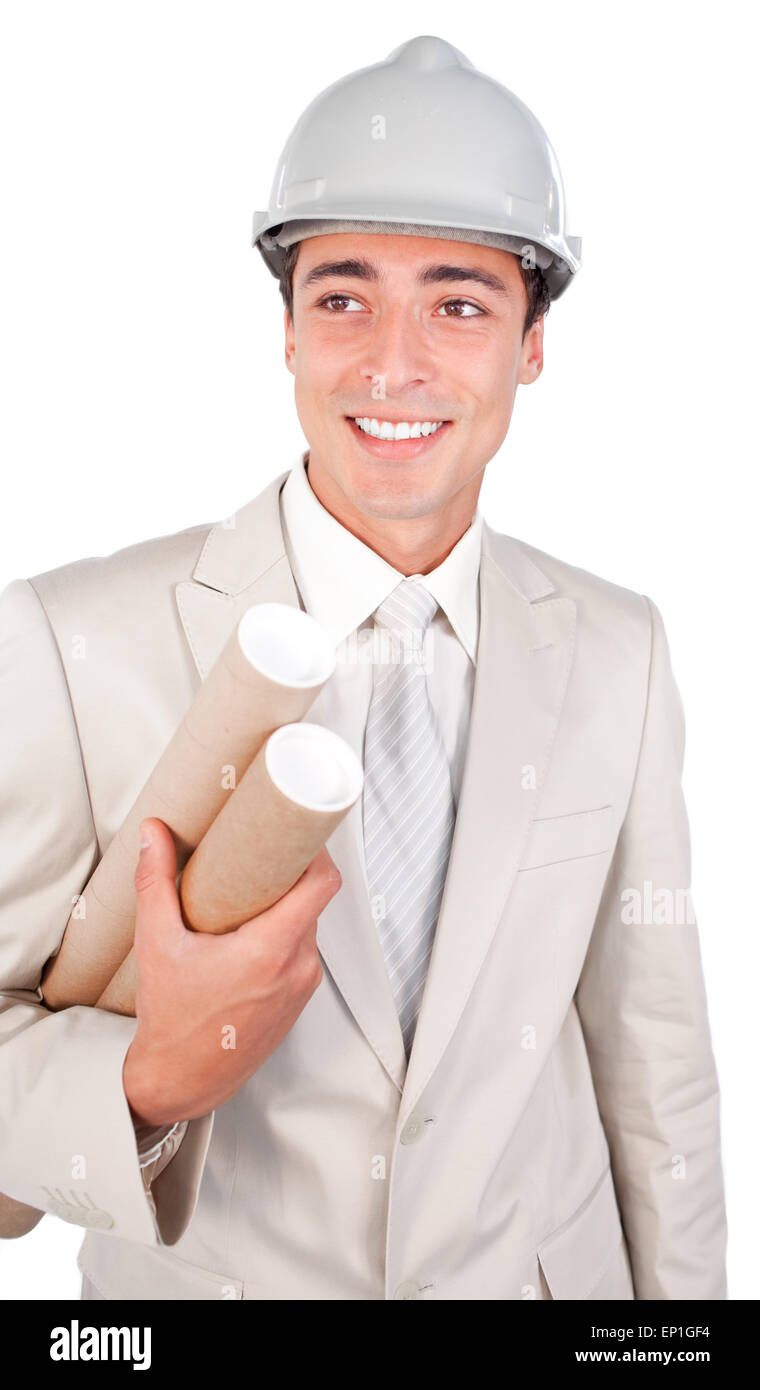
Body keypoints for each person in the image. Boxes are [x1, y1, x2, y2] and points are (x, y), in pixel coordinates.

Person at [0, 35, 727, 1300]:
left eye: (459, 302)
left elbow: (654, 1065)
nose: (394, 365)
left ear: (532, 343)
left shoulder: (620, 646)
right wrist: (146, 1077)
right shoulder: (74, 641)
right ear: (285, 327)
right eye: (343, 297)